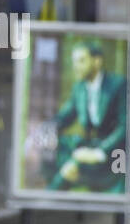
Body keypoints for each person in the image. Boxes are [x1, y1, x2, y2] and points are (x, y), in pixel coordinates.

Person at [48, 41, 126, 193]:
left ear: (97, 61)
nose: (76, 66)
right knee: (62, 174)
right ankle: (41, 209)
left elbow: (125, 126)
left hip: (115, 156)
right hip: (88, 151)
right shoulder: (79, 88)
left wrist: (100, 152)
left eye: (82, 60)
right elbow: (65, 117)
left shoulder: (118, 85)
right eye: (74, 62)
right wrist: (45, 130)